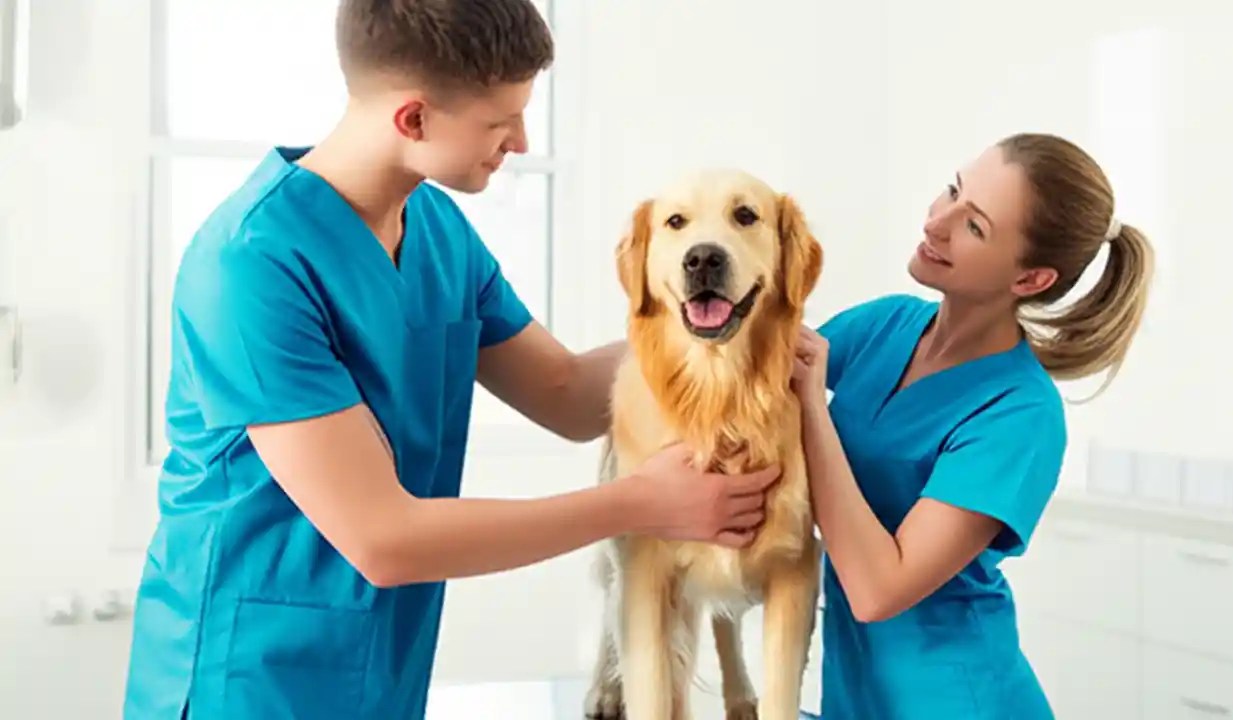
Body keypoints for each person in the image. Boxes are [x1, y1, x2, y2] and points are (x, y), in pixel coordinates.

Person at [120, 2, 779, 718]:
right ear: (414, 119)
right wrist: (639, 502)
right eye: (500, 123)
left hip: (381, 667)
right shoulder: (249, 264)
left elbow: (564, 392)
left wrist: (733, 332)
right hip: (243, 678)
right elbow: (384, 538)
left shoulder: (437, 231)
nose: (521, 142)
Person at [790, 132, 1154, 719]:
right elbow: (754, 374)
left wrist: (810, 407)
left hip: (959, 701)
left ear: (1030, 280)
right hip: (854, 701)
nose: (937, 222)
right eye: (953, 191)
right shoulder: (886, 325)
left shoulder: (1021, 413)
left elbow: (879, 588)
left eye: (975, 225)